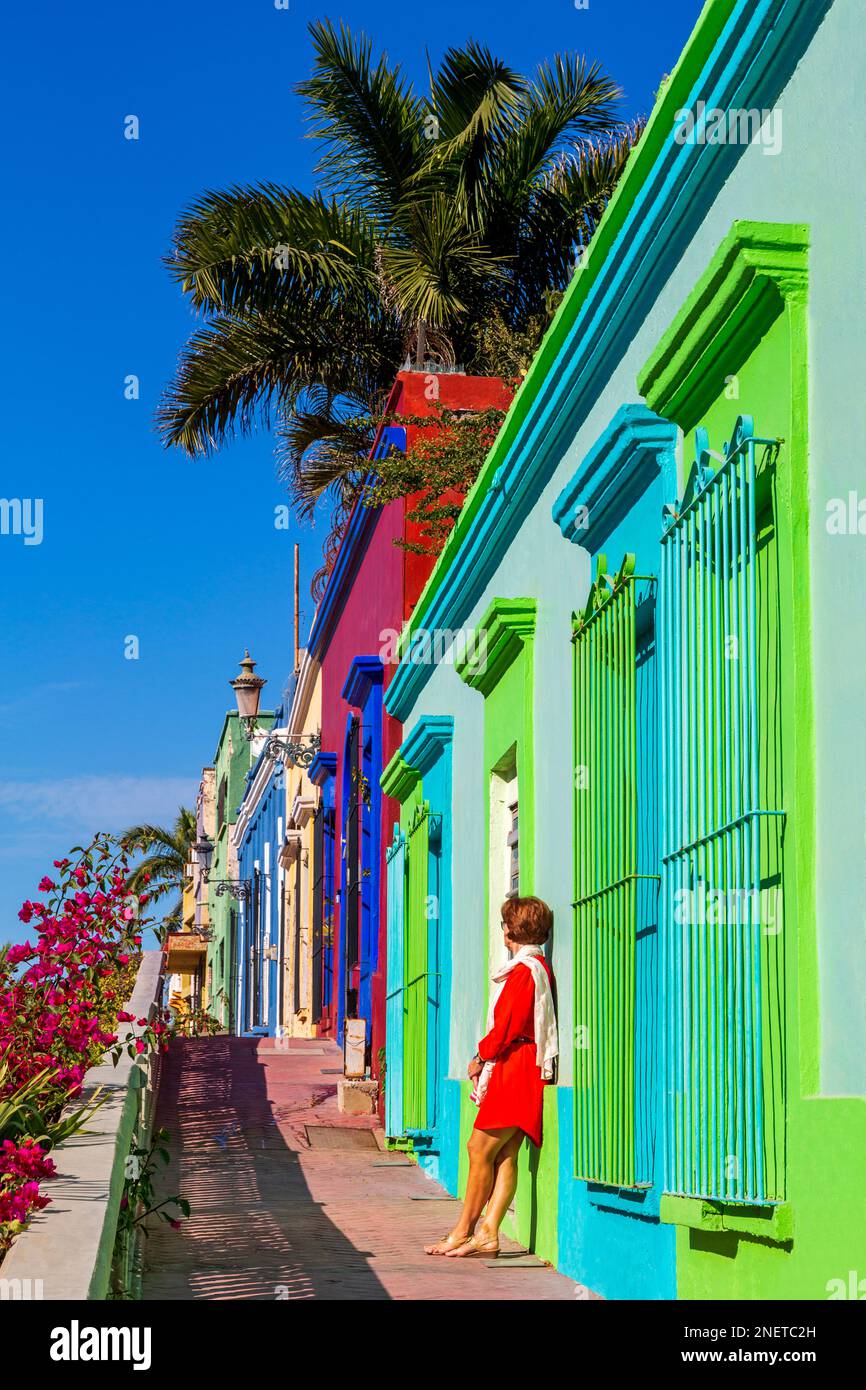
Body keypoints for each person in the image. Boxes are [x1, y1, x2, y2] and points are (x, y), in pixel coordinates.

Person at [425, 895, 557, 1258]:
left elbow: (506, 1027)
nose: (502, 930)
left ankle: (463, 1230)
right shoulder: (537, 968)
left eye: (505, 924)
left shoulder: (522, 974)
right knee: (506, 1154)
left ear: (513, 931)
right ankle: (488, 1231)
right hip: (524, 1065)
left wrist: (479, 1056)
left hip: (515, 1068)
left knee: (478, 1147)